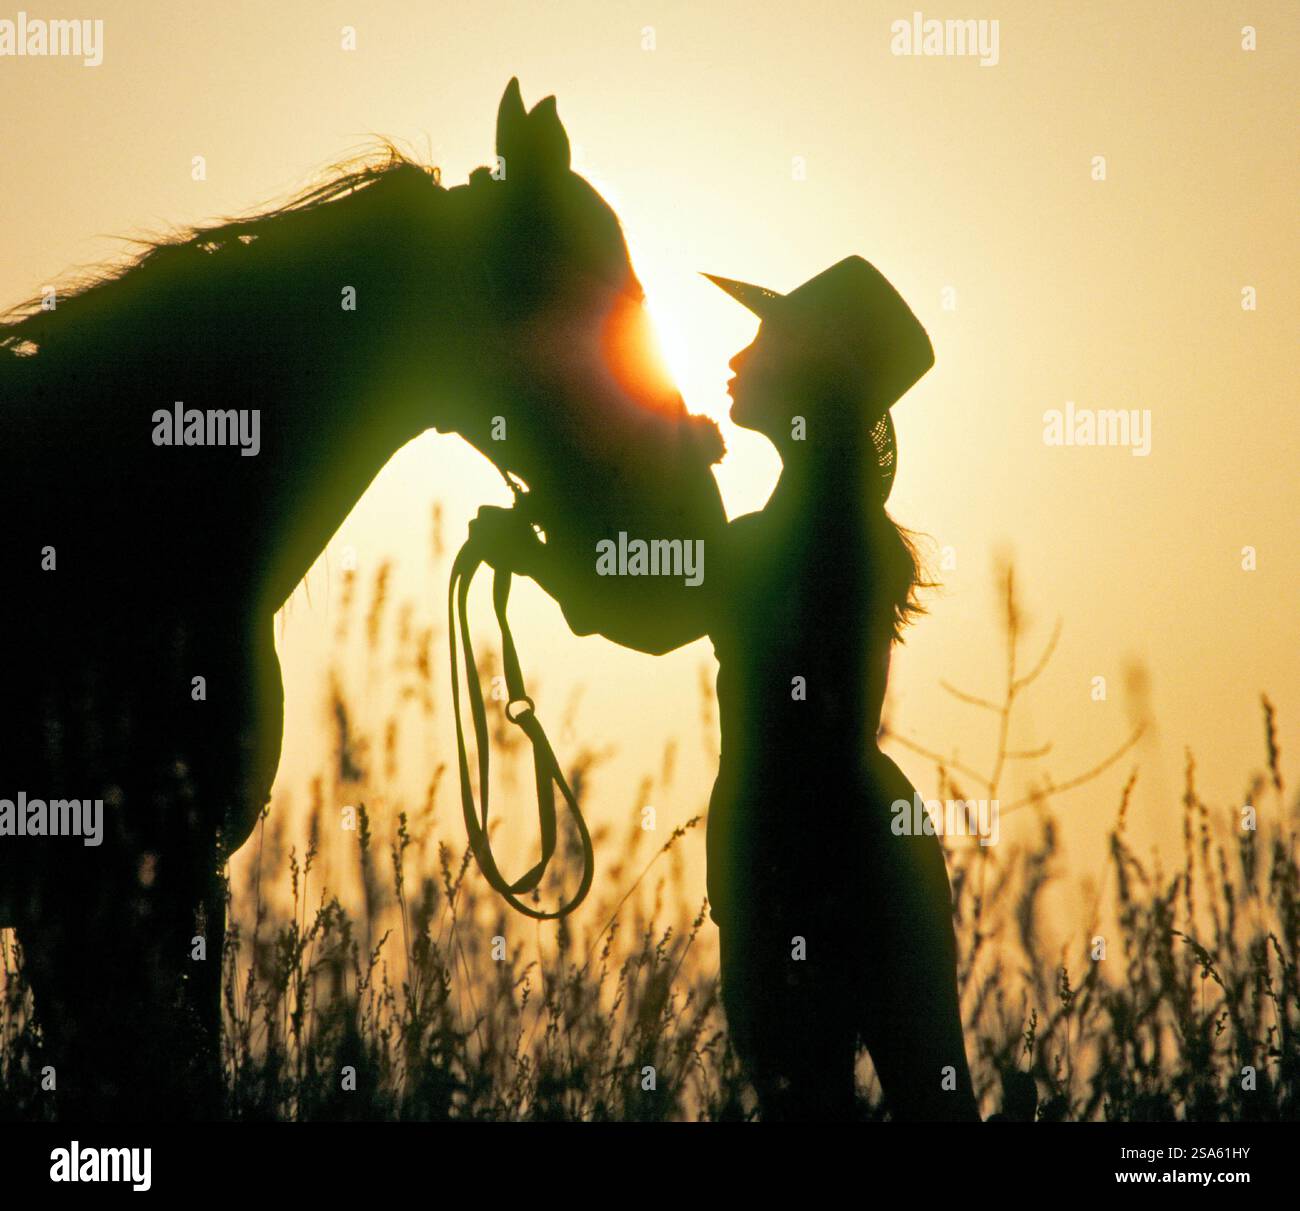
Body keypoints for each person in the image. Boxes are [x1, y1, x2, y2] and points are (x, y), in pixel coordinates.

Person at [472, 256, 980, 1121]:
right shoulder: (829, 526)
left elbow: (652, 606)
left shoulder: (793, 535)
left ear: (809, 379)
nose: (742, 357)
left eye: (766, 341)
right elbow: (676, 585)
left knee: (804, 1102)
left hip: (793, 848)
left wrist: (540, 556)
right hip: (864, 835)